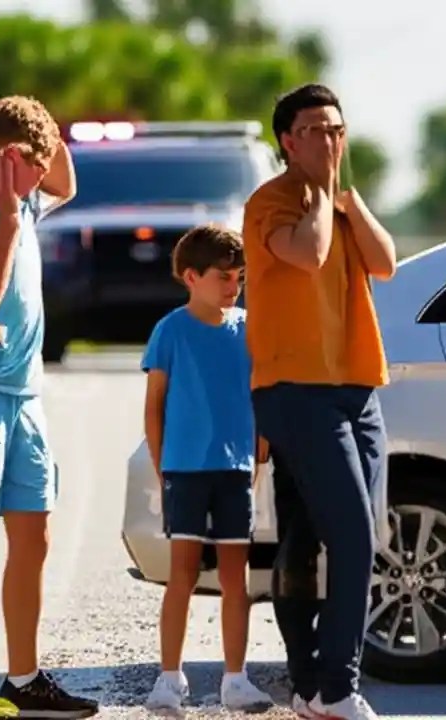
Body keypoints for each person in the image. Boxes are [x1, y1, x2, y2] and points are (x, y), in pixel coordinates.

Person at [241, 83, 398, 720]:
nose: (330, 141)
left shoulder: (342, 204)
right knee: (351, 538)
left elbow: (385, 264)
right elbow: (307, 254)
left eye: (337, 129)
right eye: (315, 130)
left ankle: (308, 687)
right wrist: (322, 197)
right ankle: (336, 688)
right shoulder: (271, 203)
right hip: (294, 390)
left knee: (318, 535)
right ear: (287, 139)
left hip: (357, 387)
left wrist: (347, 204)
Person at [0, 95, 98, 718]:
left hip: (25, 396)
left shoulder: (25, 198)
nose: (44, 175)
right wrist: (7, 212)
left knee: (33, 533)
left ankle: (23, 677)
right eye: (31, 159)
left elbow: (64, 178)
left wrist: (43, 131)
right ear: (9, 159)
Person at [140, 225, 275, 713]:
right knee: (183, 573)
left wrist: (259, 450)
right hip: (185, 470)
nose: (232, 286)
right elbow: (154, 404)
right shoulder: (171, 330)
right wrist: (161, 466)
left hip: (235, 472)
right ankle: (169, 678)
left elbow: (258, 393)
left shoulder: (248, 329)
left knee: (236, 579)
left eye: (239, 277)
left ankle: (235, 679)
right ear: (191, 276)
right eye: (223, 276)